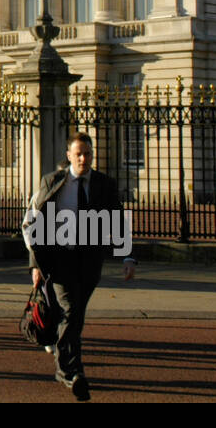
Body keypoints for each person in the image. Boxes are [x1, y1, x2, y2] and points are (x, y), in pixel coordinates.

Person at [23, 133, 136, 401]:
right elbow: (33, 223)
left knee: (76, 317)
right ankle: (71, 372)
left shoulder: (103, 184)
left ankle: (68, 368)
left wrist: (128, 257)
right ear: (69, 155)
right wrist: (35, 266)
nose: (84, 158)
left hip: (89, 262)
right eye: (79, 153)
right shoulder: (53, 182)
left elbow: (117, 220)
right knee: (70, 312)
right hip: (59, 260)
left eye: (88, 153)